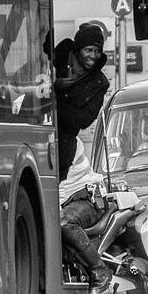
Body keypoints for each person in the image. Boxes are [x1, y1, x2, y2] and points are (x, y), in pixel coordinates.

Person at [53, 22, 110, 181]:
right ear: (78, 50)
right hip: (39, 131)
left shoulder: (99, 82)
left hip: (64, 145)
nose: (93, 56)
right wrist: (54, 85)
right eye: (88, 50)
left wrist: (55, 102)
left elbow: (84, 119)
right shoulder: (57, 57)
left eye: (97, 51)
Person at [59, 142, 115, 294]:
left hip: (86, 198)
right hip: (68, 202)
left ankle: (100, 270)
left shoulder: (67, 141)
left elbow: (58, 185)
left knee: (63, 222)